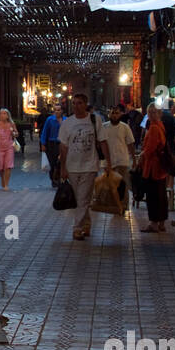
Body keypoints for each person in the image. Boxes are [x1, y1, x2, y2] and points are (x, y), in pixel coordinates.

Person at [58, 92, 111, 240]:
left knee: (83, 198)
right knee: (80, 198)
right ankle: (87, 223)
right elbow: (63, 147)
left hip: (90, 165)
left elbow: (103, 141)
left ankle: (77, 228)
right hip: (72, 166)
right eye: (74, 103)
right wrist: (63, 168)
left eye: (79, 103)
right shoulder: (67, 123)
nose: (76, 106)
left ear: (86, 104)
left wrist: (108, 162)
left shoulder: (95, 120)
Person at [140, 104, 171, 233]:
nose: (152, 115)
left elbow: (150, 149)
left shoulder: (153, 128)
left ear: (159, 114)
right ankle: (161, 222)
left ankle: (153, 223)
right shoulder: (160, 126)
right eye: (150, 112)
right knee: (161, 195)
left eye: (154, 112)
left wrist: (142, 155)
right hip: (160, 168)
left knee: (153, 196)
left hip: (153, 167)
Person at [104, 102, 136, 213]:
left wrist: (134, 160)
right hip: (109, 161)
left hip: (122, 160)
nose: (114, 115)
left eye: (117, 113)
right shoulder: (104, 127)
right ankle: (115, 205)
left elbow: (130, 144)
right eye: (112, 113)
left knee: (123, 185)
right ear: (109, 114)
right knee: (111, 186)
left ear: (120, 114)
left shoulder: (125, 127)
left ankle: (123, 205)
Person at [0, 108, 19, 190]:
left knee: (8, 166)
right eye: (1, 113)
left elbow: (17, 134)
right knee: (0, 167)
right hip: (0, 148)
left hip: (9, 147)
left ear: (8, 115)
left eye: (4, 113)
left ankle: (6, 184)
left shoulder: (11, 124)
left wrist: (13, 133)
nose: (2, 115)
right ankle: (2, 178)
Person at [40, 103, 63, 188]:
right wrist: (43, 143)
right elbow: (45, 132)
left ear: (62, 111)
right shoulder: (50, 120)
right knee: (53, 163)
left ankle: (60, 179)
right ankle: (53, 180)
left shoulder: (65, 120)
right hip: (52, 144)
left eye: (59, 110)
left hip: (62, 144)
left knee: (60, 163)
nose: (57, 111)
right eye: (55, 110)